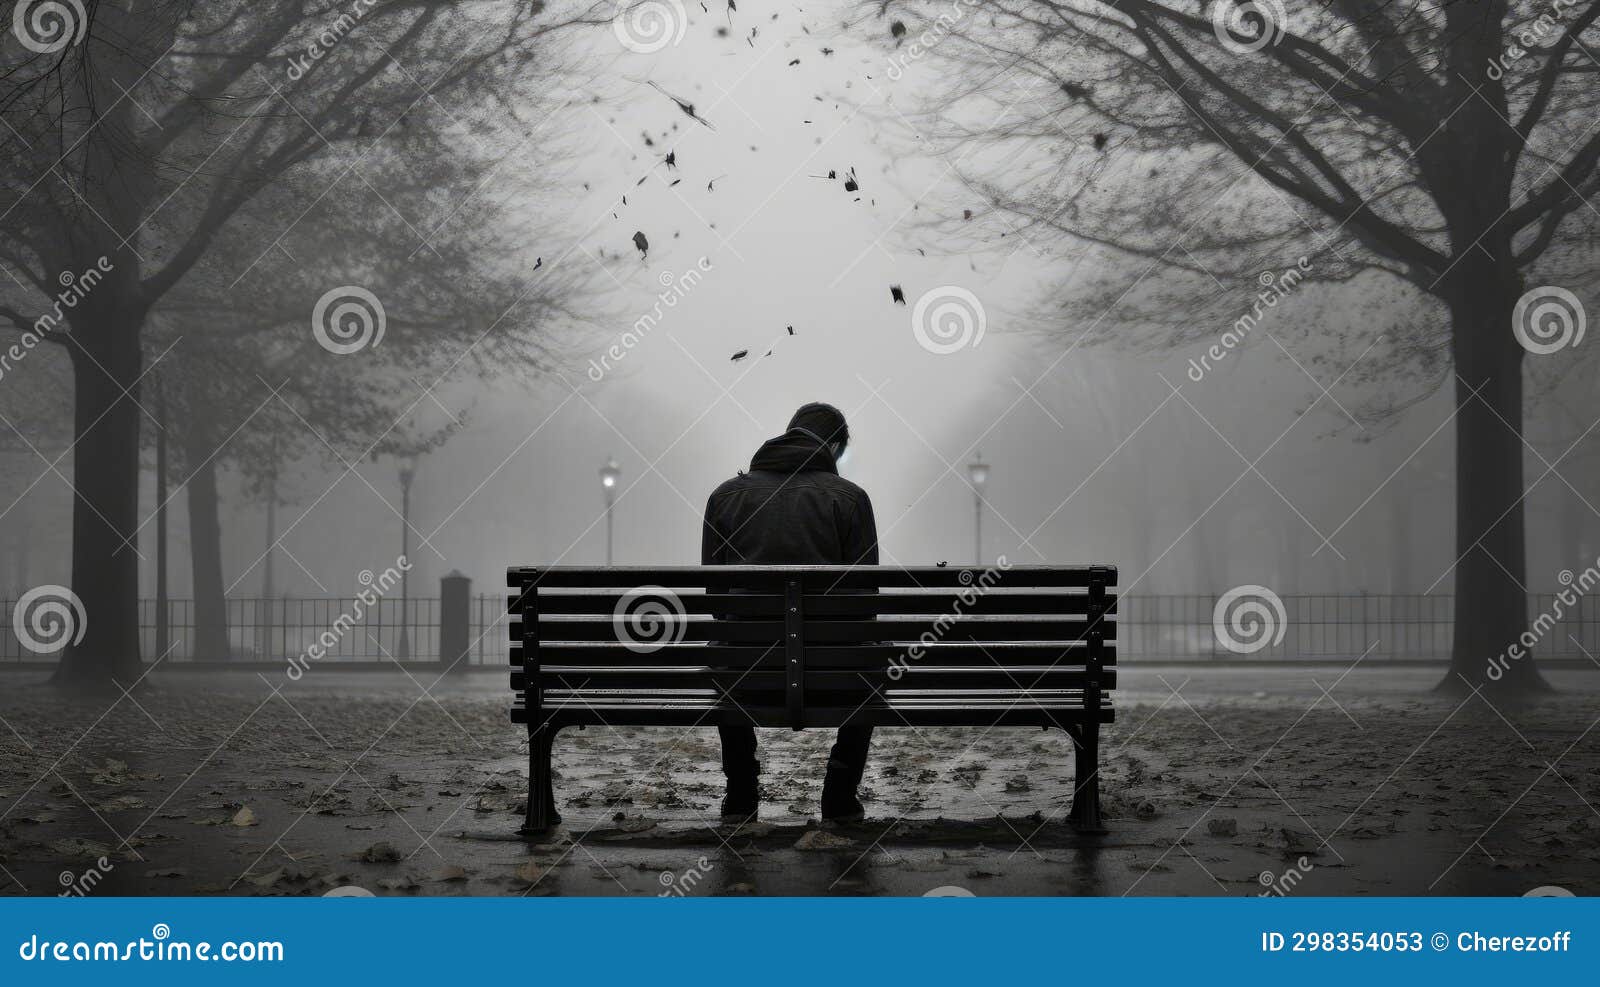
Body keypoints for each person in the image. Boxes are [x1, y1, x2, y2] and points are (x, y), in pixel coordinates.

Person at [701, 402, 879, 822]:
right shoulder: (850, 499)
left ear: (788, 433)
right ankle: (839, 791)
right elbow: (865, 598)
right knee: (875, 655)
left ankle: (741, 789)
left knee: (726, 645)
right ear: (833, 447)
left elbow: (714, 598)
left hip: (745, 677)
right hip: (835, 678)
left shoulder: (726, 496)